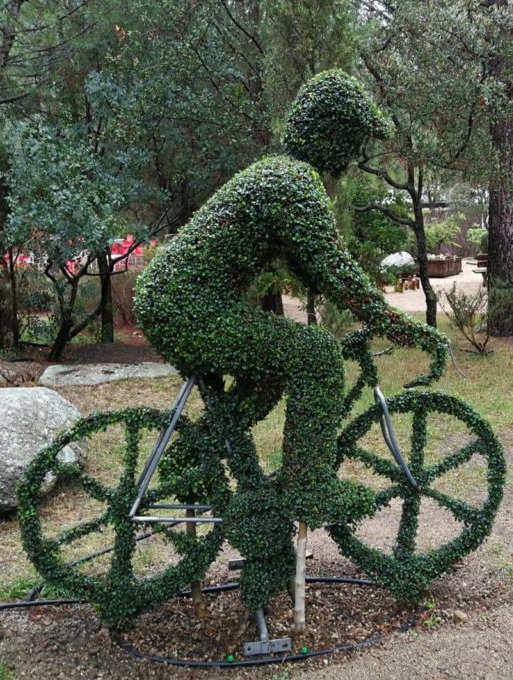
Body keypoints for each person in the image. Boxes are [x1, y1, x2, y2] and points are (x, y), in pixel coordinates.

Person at [134, 69, 447, 529]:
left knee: (269, 376)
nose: (352, 159)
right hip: (186, 306)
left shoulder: (281, 176)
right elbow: (337, 275)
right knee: (317, 355)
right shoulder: (293, 183)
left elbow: (315, 267)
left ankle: (191, 459)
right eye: (352, 142)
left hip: (175, 301)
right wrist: (406, 329)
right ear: (330, 133)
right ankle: (309, 489)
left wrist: (356, 292)